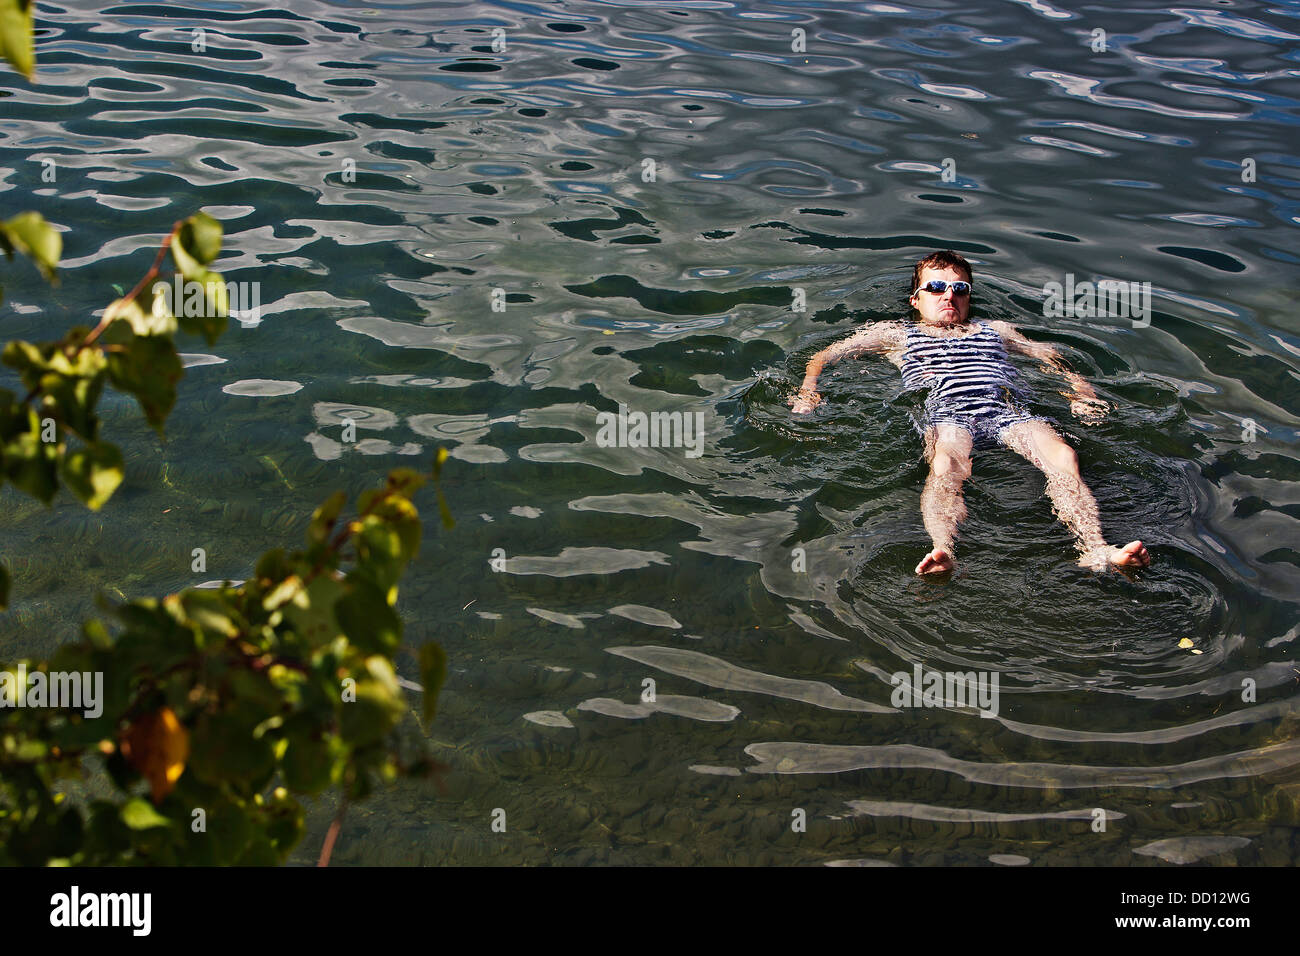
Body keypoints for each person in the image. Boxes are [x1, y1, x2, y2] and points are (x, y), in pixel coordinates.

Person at [789, 249, 1151, 575]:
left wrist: (1080, 392)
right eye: (936, 287)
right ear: (915, 300)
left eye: (960, 289)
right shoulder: (896, 333)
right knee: (947, 463)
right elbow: (823, 356)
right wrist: (809, 392)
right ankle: (943, 549)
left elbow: (1050, 357)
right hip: (948, 414)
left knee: (1063, 455)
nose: (949, 295)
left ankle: (1096, 549)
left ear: (969, 298)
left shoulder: (995, 329)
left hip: (1008, 409)